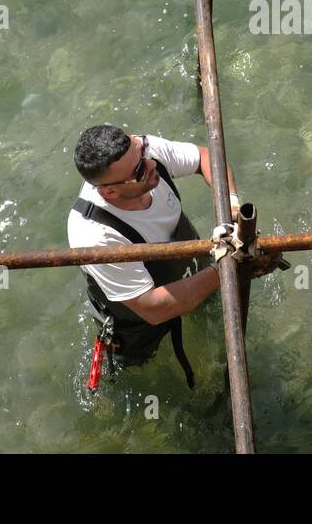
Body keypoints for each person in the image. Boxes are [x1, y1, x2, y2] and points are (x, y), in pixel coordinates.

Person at [67, 124, 273, 388]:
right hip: (138, 318)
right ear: (110, 192)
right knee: (143, 377)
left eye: (142, 151)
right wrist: (229, 265)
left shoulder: (143, 156)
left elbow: (206, 158)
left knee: (210, 309)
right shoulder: (95, 237)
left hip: (193, 267)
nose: (151, 163)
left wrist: (231, 204)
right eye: (139, 170)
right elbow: (153, 308)